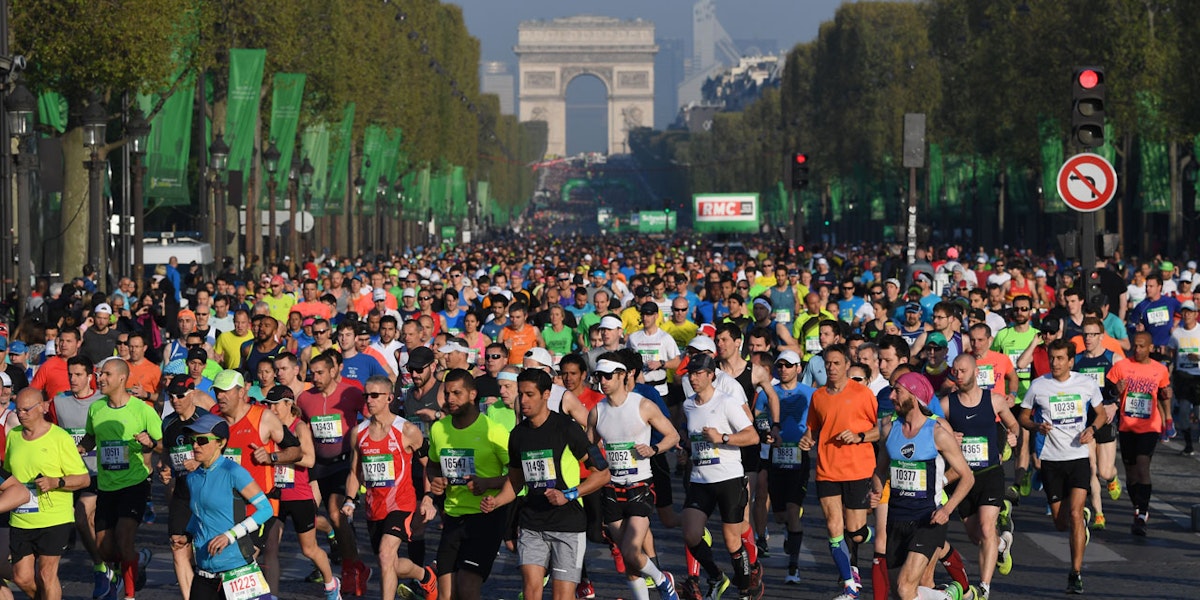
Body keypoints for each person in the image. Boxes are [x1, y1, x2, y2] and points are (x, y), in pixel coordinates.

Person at [480, 369, 611, 600]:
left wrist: (568, 495)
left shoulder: (567, 428)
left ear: (546, 395)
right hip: (532, 523)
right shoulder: (518, 434)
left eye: (530, 394)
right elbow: (516, 479)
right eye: (521, 394)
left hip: (567, 524)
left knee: (562, 596)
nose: (524, 400)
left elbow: (602, 473)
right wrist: (497, 500)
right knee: (531, 590)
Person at [873, 372, 975, 600]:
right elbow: (880, 470)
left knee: (905, 587)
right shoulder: (889, 429)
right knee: (902, 593)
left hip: (927, 520)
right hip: (896, 518)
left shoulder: (937, 432)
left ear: (915, 395)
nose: (891, 396)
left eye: (897, 391)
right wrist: (876, 491)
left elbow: (967, 476)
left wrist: (946, 510)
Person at [587, 358, 681, 600]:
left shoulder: (643, 405)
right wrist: (600, 463)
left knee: (630, 550)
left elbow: (672, 435)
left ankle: (661, 579)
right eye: (599, 377)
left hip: (640, 485)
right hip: (611, 489)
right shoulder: (597, 411)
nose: (603, 381)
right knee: (628, 557)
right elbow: (591, 446)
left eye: (608, 376)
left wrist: (654, 449)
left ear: (622, 376)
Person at [1018, 339, 1107, 594]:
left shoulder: (1086, 384)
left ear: (1070, 361)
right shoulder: (1039, 385)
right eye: (1052, 358)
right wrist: (1037, 426)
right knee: (1060, 522)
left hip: (1078, 457)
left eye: (1060, 358)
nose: (1055, 363)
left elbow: (1101, 414)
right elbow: (1023, 416)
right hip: (1051, 461)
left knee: (1076, 515)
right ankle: (1080, 522)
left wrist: (1092, 429)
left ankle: (1075, 573)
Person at [342, 375, 439, 600]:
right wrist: (349, 499)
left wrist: (427, 497)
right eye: (366, 395)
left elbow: (429, 465)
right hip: (373, 506)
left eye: (375, 395)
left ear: (389, 398)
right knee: (389, 562)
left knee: (386, 554)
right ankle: (425, 576)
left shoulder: (406, 430)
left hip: (401, 503)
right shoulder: (359, 433)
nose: (369, 400)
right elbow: (355, 472)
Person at [211, 369, 304, 595]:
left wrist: (272, 457)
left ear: (242, 391)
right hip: (225, 508)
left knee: (239, 563)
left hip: (259, 507)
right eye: (217, 392)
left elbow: (296, 451)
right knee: (225, 568)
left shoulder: (263, 418)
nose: (220, 397)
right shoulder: (214, 421)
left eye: (226, 391)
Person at [676, 353, 760, 600]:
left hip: (729, 478)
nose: (693, 378)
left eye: (698, 373)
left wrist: (723, 438)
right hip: (701, 479)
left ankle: (745, 590)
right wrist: (686, 449)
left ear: (711, 375)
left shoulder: (727, 402)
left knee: (732, 540)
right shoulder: (688, 405)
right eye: (690, 373)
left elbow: (752, 436)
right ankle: (716, 576)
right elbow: (691, 436)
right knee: (690, 533)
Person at [77, 358, 162, 600]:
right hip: (106, 485)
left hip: (134, 483)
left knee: (124, 539)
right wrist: (80, 449)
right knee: (104, 549)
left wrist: (151, 443)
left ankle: (129, 595)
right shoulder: (96, 409)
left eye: (106, 374)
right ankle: (138, 560)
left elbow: (163, 444)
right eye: (100, 374)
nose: (100, 378)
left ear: (122, 378)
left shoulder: (142, 409)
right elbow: (91, 437)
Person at [798, 344, 878, 600]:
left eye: (836, 363)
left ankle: (888, 536)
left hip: (857, 469)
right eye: (827, 364)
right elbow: (812, 427)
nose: (831, 368)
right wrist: (806, 439)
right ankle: (849, 585)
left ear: (846, 364)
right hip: (827, 470)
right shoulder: (818, 396)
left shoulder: (862, 394)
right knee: (834, 527)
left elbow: (882, 429)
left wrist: (859, 436)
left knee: (855, 530)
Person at [421, 369, 510, 600]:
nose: (450, 399)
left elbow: (517, 476)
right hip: (452, 516)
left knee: (467, 587)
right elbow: (432, 465)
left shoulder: (493, 431)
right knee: (445, 594)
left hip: (486, 517)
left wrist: (488, 482)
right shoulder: (439, 429)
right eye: (447, 393)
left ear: (473, 394)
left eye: (457, 393)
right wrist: (435, 481)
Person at [940, 355, 1021, 599]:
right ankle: (1001, 546)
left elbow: (1013, 425)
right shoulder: (946, 404)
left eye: (963, 371)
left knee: (987, 528)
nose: (959, 375)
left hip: (989, 474)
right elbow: (932, 431)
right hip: (961, 479)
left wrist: (1012, 436)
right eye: (955, 371)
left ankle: (984, 588)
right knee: (978, 536)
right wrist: (948, 436)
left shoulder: (994, 401)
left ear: (976, 372)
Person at [295, 353, 371, 595]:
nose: (315, 377)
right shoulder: (305, 398)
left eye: (320, 373)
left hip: (343, 462)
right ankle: (326, 563)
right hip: (318, 465)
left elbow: (373, 417)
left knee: (337, 514)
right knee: (306, 510)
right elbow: (299, 427)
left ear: (333, 372)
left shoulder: (351, 393)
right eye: (312, 373)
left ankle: (351, 568)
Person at [5, 388, 90, 600]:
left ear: (42, 408)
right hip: (21, 519)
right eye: (18, 410)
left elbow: (83, 478)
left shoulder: (59, 437)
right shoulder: (13, 437)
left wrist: (56, 482)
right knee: (21, 577)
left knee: (46, 574)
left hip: (54, 518)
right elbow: (8, 478)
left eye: (26, 410)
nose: (21, 414)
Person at [182, 412, 276, 600]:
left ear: (221, 442)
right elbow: (200, 513)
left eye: (201, 440)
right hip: (204, 572)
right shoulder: (192, 478)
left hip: (237, 572)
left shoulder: (234, 472)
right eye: (192, 440)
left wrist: (230, 535)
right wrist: (186, 534)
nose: (195, 445)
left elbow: (266, 510)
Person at [261, 384, 340, 600]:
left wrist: (279, 457)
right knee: (270, 550)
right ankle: (273, 596)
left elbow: (310, 459)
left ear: (288, 404)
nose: (272, 409)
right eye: (269, 405)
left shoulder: (299, 428)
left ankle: (331, 584)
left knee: (309, 549)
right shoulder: (268, 427)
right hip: (275, 495)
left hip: (298, 494)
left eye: (276, 405)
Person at [1107, 332, 1172, 536]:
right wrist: (1116, 390)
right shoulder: (1122, 367)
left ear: (1150, 348)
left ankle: (1142, 513)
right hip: (1127, 426)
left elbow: (1163, 394)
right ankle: (1137, 506)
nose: (1138, 349)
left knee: (1143, 465)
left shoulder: (1159, 370)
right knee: (1131, 472)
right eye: (1135, 346)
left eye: (1142, 346)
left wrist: (1168, 417)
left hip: (1149, 426)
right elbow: (1108, 391)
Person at [158, 374, 214, 600]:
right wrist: (165, 469)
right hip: (182, 491)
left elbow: (222, 453)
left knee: (209, 550)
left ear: (192, 393)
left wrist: (200, 460)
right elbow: (167, 452)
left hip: (209, 491)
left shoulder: (206, 419)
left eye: (180, 395)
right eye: (171, 396)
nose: (175, 400)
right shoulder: (168, 422)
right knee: (177, 543)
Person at [763, 349, 815, 585]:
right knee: (780, 515)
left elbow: (823, 420)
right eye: (780, 365)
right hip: (775, 458)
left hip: (799, 458)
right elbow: (757, 417)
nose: (783, 369)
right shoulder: (768, 393)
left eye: (788, 365)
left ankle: (793, 567)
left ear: (798, 369)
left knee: (793, 510)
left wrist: (812, 438)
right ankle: (788, 531)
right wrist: (768, 432)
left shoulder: (811, 394)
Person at [1168, 301, 1200, 456]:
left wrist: (1198, 358)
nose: (1187, 315)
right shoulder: (1176, 333)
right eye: (1184, 312)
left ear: (1196, 314)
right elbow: (1171, 356)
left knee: (1199, 412)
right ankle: (1188, 445)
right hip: (1182, 377)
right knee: (1183, 412)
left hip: (1198, 377)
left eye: (1190, 312)